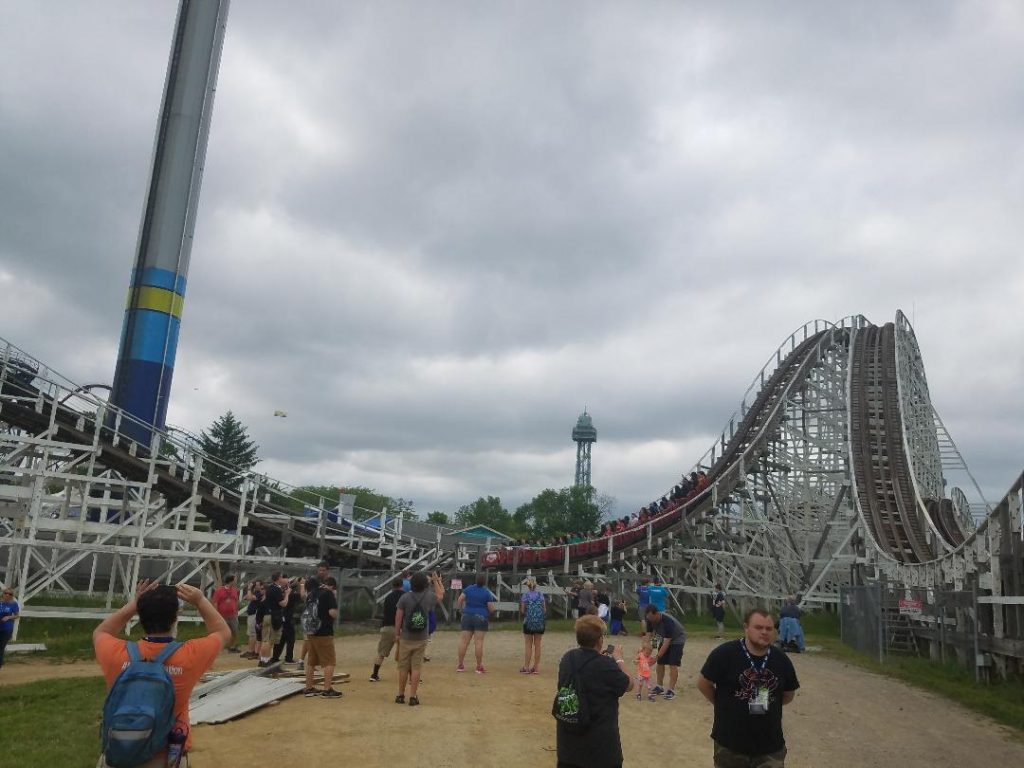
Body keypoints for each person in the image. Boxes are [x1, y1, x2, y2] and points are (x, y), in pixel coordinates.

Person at [93, 580, 230, 766]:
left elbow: (101, 631)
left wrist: (134, 604)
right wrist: (200, 600)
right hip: (166, 756)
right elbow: (222, 632)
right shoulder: (190, 655)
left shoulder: (116, 653)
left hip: (119, 754)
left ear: (141, 617)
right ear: (175, 617)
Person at [697, 609, 800, 767]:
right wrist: (723, 704)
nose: (764, 632)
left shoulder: (781, 660)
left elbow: (788, 694)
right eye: (758, 627)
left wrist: (769, 703)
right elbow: (703, 683)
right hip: (730, 744)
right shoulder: (724, 654)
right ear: (746, 627)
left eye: (769, 628)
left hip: (770, 746)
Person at [555, 615, 633, 768]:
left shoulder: (568, 658)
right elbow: (629, 684)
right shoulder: (606, 666)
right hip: (599, 751)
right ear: (600, 640)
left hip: (569, 748)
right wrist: (618, 659)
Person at [394, 571, 444, 705]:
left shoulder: (405, 597)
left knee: (403, 667)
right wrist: (435, 581)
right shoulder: (429, 597)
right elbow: (440, 595)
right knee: (416, 667)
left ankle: (400, 694)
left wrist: (397, 633)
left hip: (406, 636)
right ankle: (413, 696)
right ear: (425, 584)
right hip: (421, 637)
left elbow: (398, 617)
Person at [305, 576, 341, 698]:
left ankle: (309, 687)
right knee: (329, 661)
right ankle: (327, 689)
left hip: (311, 631)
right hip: (324, 631)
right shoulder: (327, 593)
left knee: (311, 661)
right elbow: (332, 612)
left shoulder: (310, 596)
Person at [456, 572, 496, 673]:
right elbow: (491, 608)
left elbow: (460, 599)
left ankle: (460, 665)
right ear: (484, 581)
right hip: (481, 617)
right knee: (478, 642)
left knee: (464, 641)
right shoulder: (486, 592)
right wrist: (491, 612)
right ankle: (478, 666)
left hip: (467, 615)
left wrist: (461, 610)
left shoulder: (469, 589)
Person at [645, 604, 686, 700]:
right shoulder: (650, 620)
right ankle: (659, 686)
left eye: (651, 617)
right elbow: (650, 635)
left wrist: (656, 657)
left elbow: (667, 643)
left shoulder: (667, 621)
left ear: (657, 614)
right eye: (648, 617)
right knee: (660, 663)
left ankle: (671, 690)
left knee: (673, 663)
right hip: (664, 638)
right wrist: (647, 651)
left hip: (677, 639)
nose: (650, 619)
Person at [371, 578, 405, 681]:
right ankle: (410, 676)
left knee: (381, 653)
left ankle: (374, 674)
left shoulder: (388, 597)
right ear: (402, 585)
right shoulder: (406, 596)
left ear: (392, 586)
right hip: (402, 628)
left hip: (387, 627)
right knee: (406, 654)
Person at [259, 572, 291, 667]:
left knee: (265, 639)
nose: (283, 579)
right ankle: (266, 660)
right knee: (269, 640)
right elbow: (283, 604)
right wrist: (287, 594)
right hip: (273, 616)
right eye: (282, 577)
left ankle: (263, 659)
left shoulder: (270, 588)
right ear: (278, 578)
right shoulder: (276, 589)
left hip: (267, 615)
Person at [520, 577, 547, 674]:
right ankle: (536, 668)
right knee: (538, 645)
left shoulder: (525, 595)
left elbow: (522, 611)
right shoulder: (540, 595)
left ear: (527, 586)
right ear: (536, 586)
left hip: (528, 622)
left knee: (528, 645)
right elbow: (544, 610)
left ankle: (526, 667)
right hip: (539, 623)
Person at [272, 577, 302, 664]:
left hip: (280, 617)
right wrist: (302, 584)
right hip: (288, 618)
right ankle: (288, 658)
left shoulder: (279, 593)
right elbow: (301, 595)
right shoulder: (290, 595)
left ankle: (275, 657)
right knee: (290, 639)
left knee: (281, 639)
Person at [212, 574, 241, 652]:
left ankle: (231, 646)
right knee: (221, 632)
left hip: (233, 615)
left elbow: (236, 602)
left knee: (235, 632)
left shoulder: (234, 590)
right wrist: (216, 615)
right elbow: (215, 603)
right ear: (231, 581)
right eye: (235, 580)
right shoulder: (219, 591)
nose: (236, 582)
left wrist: (236, 612)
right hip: (222, 616)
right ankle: (218, 647)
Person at [242, 579, 263, 659]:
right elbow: (245, 597)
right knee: (251, 633)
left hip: (254, 615)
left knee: (252, 634)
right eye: (255, 585)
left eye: (257, 585)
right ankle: (250, 650)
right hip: (251, 615)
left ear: (261, 586)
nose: (256, 586)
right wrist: (251, 591)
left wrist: (249, 589)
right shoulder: (256, 592)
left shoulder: (260, 593)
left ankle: (251, 651)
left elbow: (250, 597)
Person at [0, 587, 21, 668]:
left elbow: (17, 615)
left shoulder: (13, 604)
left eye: (10, 594)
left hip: (6, 629)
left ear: (12, 595)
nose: (7, 595)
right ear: (3, 593)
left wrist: (8, 617)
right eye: (6, 593)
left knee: (1, 647)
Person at [634, 635, 655, 701]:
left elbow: (652, 662)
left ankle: (650, 695)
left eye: (649, 653)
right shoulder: (640, 655)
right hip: (641, 674)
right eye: (647, 653)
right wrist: (636, 661)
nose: (648, 654)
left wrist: (652, 659)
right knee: (640, 685)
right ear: (643, 651)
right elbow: (635, 660)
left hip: (647, 674)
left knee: (649, 685)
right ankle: (638, 693)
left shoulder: (649, 657)